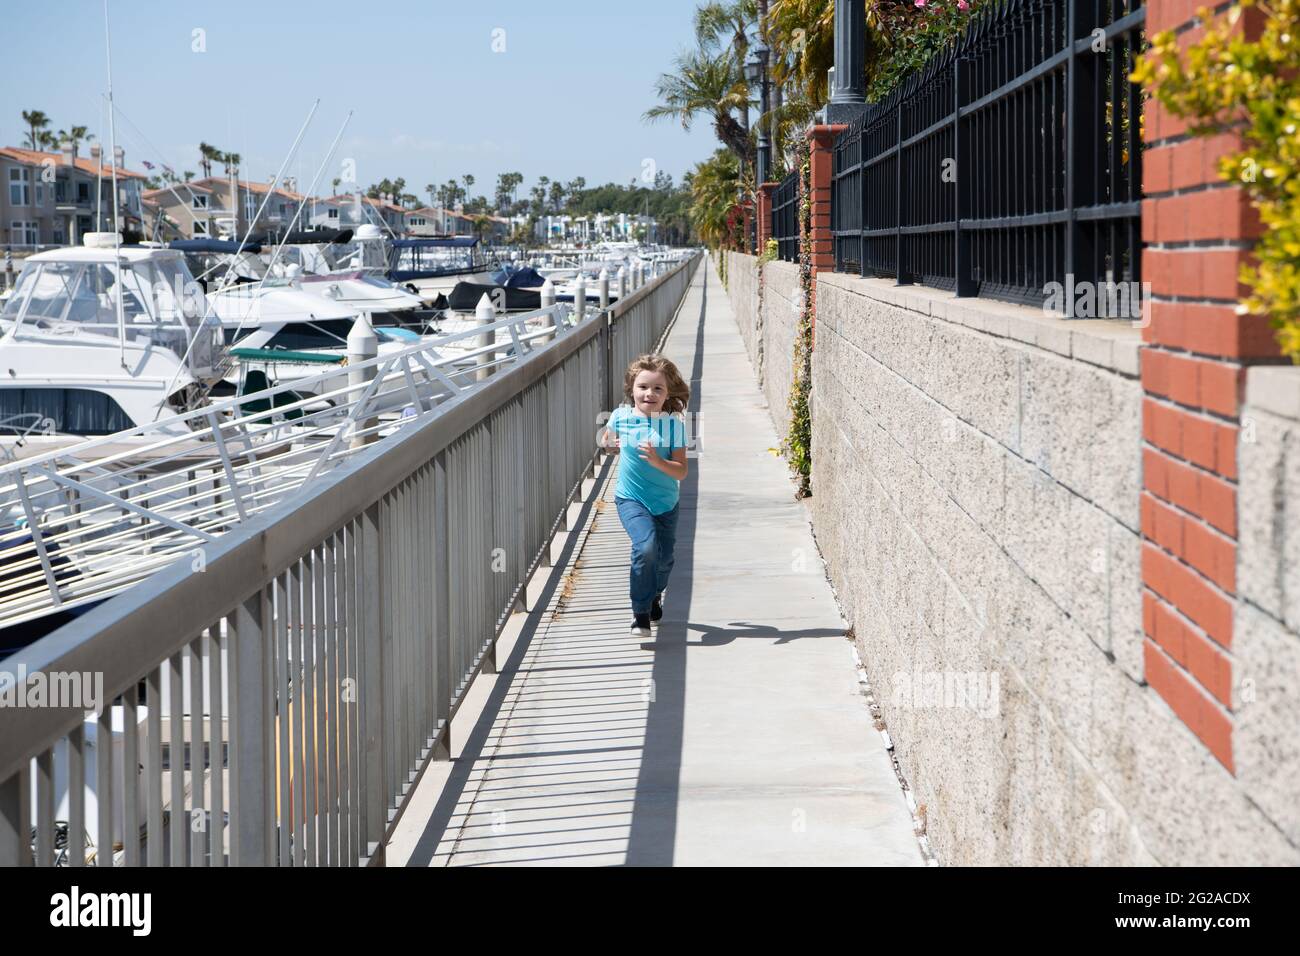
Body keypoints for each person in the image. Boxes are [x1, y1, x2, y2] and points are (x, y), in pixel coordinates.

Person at [599, 353, 690, 637]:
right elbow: (608, 441)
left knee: (664, 560)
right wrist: (608, 443)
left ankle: (653, 595)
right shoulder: (619, 417)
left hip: (665, 503)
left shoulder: (673, 427)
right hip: (631, 499)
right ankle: (640, 613)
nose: (649, 393)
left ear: (667, 395)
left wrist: (657, 461)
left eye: (657, 389)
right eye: (643, 387)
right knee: (645, 546)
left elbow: (681, 472)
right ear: (632, 389)